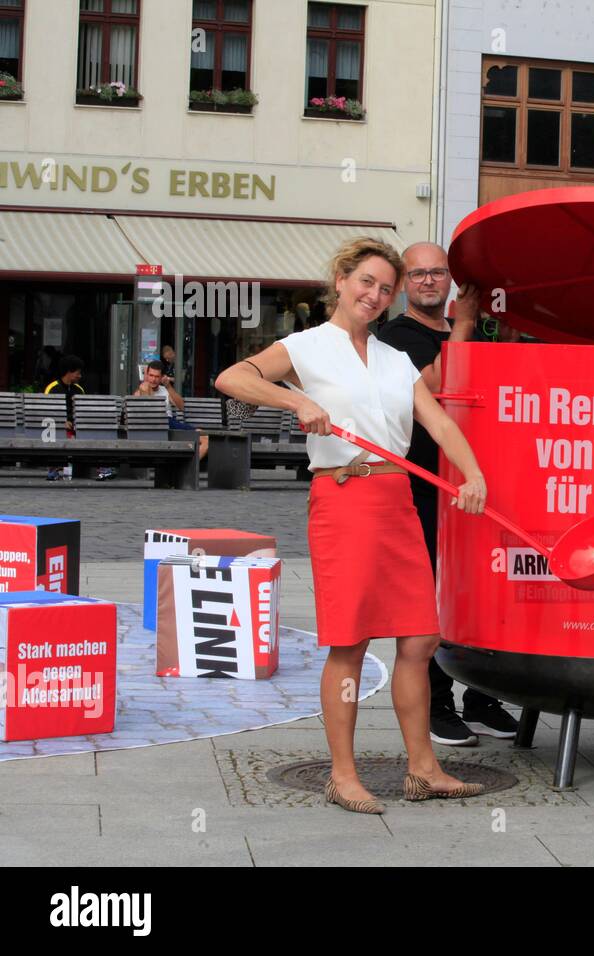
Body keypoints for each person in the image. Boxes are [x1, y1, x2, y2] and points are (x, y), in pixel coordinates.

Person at [214, 236, 489, 813]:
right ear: (341, 280)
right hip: (344, 500)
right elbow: (232, 380)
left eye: (386, 288)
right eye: (366, 281)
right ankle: (343, 775)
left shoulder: (395, 359)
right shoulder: (305, 346)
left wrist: (473, 475)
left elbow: (438, 423)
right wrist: (296, 404)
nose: (375, 294)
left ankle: (423, 769)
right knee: (351, 643)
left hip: (397, 502)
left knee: (419, 638)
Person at [376, 241, 519, 746]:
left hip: (480, 481)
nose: (429, 282)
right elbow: (436, 385)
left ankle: (482, 698)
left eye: (438, 273)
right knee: (434, 595)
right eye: (418, 275)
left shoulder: (477, 329)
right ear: (404, 285)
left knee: (481, 591)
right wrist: (463, 327)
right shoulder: (395, 336)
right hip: (425, 485)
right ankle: (436, 705)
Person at [135, 360, 209, 461]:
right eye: (151, 375)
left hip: (170, 424)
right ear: (146, 375)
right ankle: (186, 467)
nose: (153, 379)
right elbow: (147, 412)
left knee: (206, 438)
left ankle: (189, 466)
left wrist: (168, 386)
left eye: (157, 377)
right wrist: (145, 387)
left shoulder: (165, 390)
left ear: (162, 377)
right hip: (153, 428)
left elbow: (181, 407)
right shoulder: (141, 390)